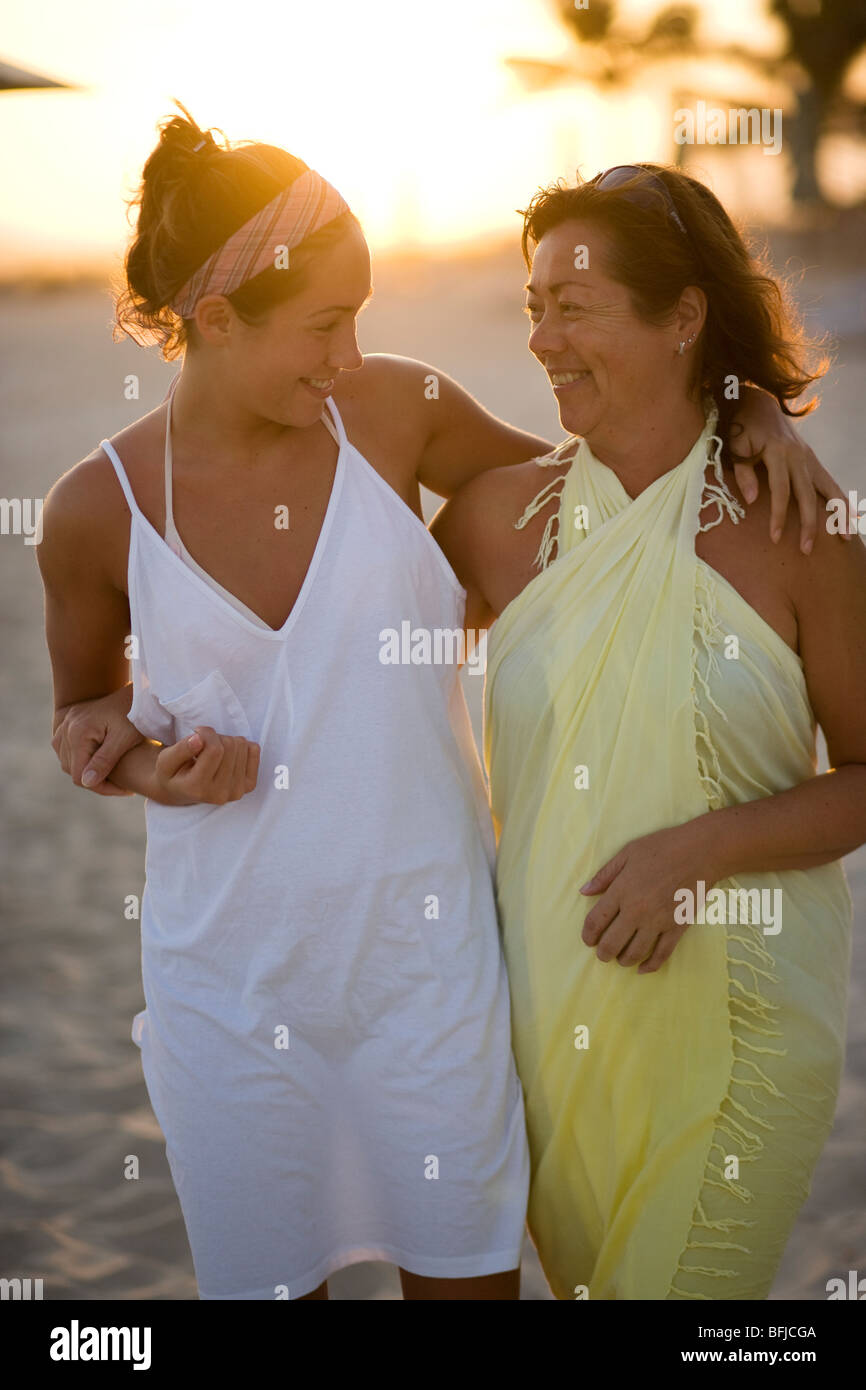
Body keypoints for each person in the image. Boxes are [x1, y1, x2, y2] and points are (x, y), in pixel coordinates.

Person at [42, 111, 839, 1303]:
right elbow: (85, 714)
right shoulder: (92, 510)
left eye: (361, 314)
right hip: (232, 988)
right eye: (323, 323)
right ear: (213, 322)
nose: (350, 350)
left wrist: (750, 406)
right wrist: (153, 765)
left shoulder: (396, 412)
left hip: (437, 975)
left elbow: (619, 488)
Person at [430, 163, 866, 1299]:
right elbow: (342, 652)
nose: (540, 338)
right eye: (532, 305)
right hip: (548, 1021)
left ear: (682, 316)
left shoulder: (797, 528)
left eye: (572, 305)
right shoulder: (491, 520)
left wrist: (698, 850)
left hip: (744, 1020)